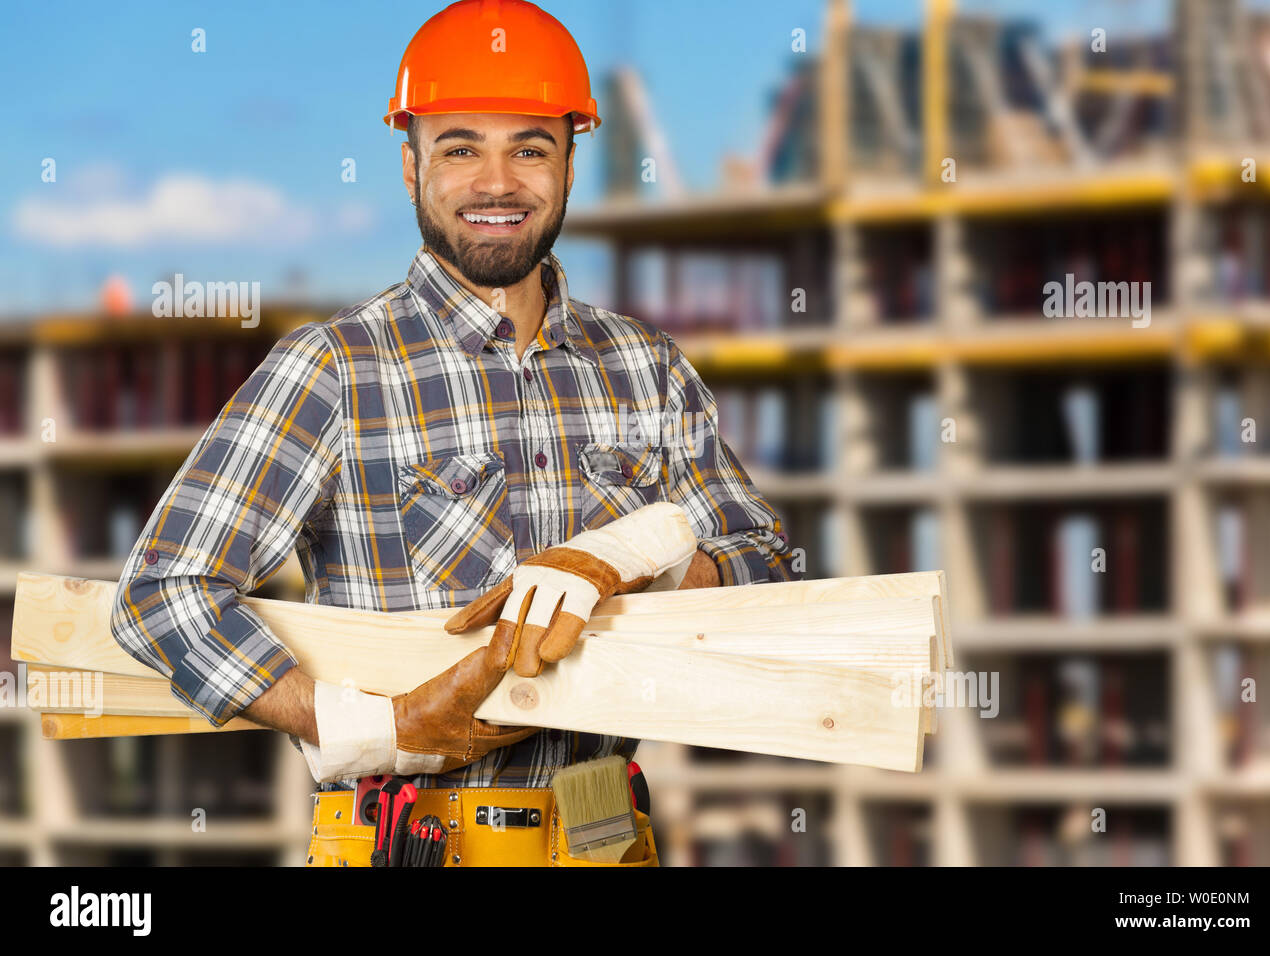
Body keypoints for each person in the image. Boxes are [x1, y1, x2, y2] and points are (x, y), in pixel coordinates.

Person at [110, 0, 800, 867]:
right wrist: (374, 727)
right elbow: (162, 592)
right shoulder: (334, 369)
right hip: (419, 847)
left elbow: (762, 558)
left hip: (608, 842)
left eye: (530, 147)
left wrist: (634, 555)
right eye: (460, 147)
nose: (498, 182)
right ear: (410, 168)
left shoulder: (644, 365)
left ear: (571, 164)